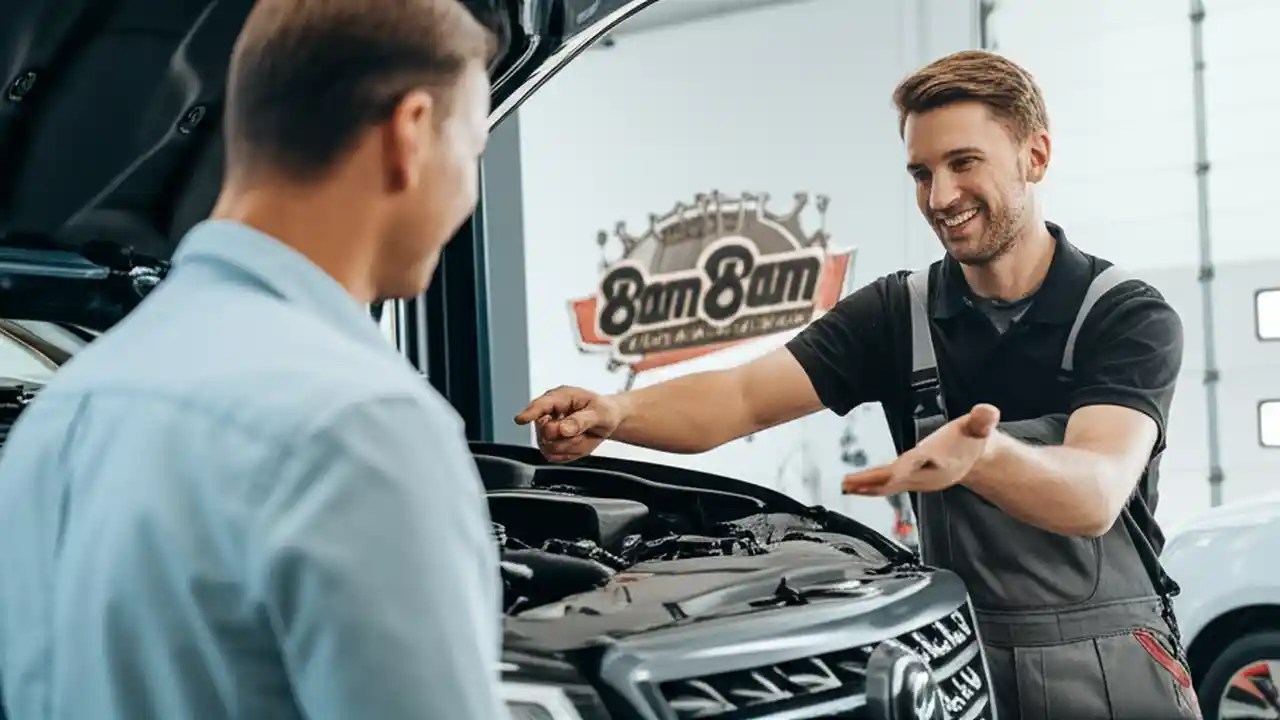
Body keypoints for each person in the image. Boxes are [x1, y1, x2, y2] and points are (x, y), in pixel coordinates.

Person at [518, 50, 1201, 718]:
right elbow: (739, 399)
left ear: (1036, 157)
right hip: (962, 662)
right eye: (921, 173)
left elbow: (1093, 493)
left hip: (1112, 662)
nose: (939, 197)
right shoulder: (895, 315)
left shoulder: (1120, 315)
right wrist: (617, 410)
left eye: (964, 163)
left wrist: (985, 459)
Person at [0, 1, 510, 718]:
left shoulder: (63, 413)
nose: (468, 190)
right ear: (412, 131)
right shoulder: (359, 426)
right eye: (475, 151)